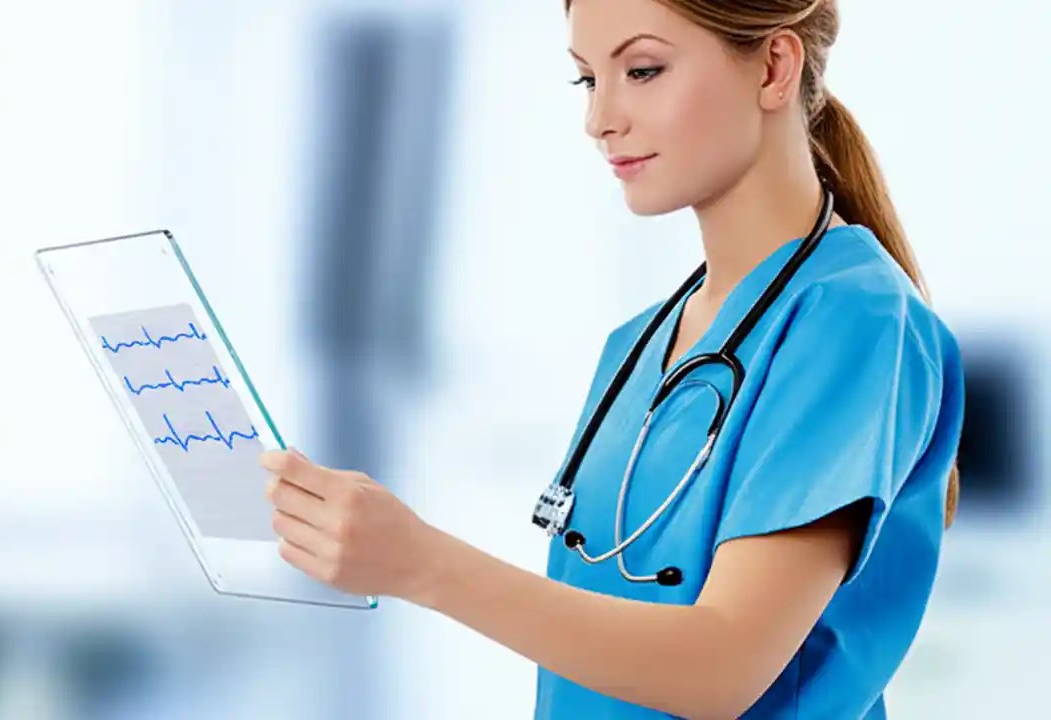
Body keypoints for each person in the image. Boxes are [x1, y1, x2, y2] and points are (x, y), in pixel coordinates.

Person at [258, 0, 965, 717]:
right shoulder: (636, 347)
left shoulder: (855, 322)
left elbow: (721, 667)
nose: (600, 121)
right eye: (587, 80)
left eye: (643, 69)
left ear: (775, 68)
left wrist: (422, 563)